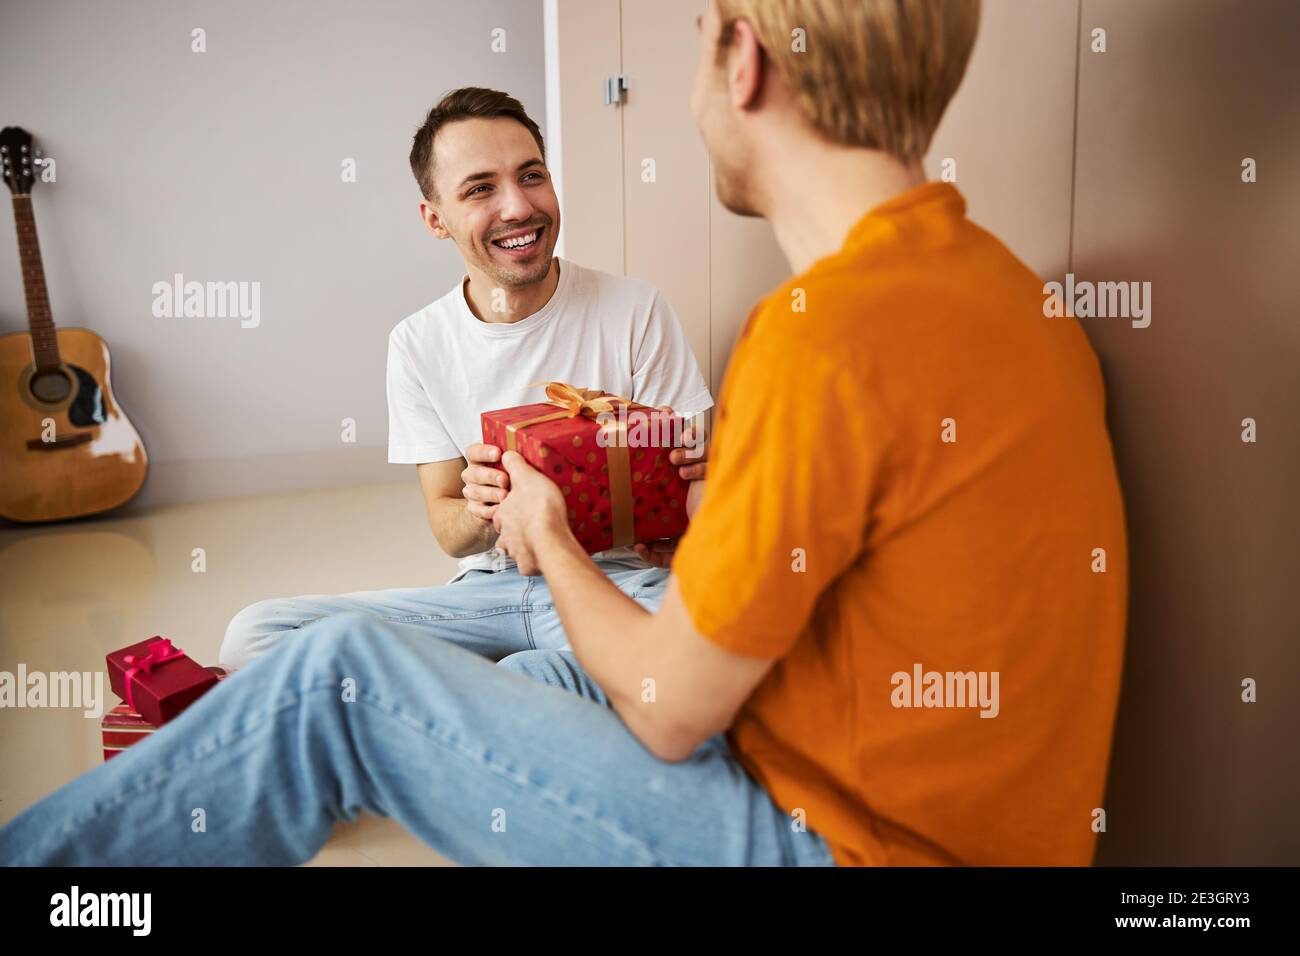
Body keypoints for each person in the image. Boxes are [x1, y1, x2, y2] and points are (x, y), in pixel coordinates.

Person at [1, 0, 1127, 867]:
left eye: (693, 43)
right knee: (300, 638)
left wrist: (547, 525)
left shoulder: (817, 334)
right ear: (437, 218)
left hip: (822, 841)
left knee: (335, 674)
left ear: (741, 59)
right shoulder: (1016, 299)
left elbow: (671, 706)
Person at [217, 86, 712, 673]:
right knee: (257, 634)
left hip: (614, 581)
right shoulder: (417, 343)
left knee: (688, 645)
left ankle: (488, 694)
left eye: (531, 176)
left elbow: (693, 502)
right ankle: (515, 697)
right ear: (435, 219)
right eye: (481, 189)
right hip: (484, 594)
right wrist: (481, 510)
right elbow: (449, 531)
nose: (518, 208)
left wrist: (692, 494)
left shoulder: (636, 310)